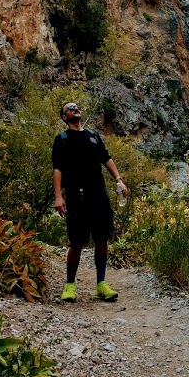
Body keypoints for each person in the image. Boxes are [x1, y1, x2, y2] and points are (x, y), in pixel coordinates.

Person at [52, 100, 128, 302]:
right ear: (64, 117)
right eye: (69, 108)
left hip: (98, 193)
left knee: (102, 237)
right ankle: (69, 286)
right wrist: (59, 196)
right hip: (77, 195)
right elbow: (57, 169)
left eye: (76, 107)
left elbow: (106, 158)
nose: (75, 109)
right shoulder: (62, 139)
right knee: (76, 241)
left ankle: (101, 284)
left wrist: (119, 180)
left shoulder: (94, 137)